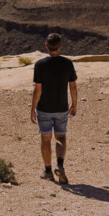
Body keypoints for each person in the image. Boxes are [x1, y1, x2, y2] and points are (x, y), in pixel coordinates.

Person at [30, 32, 78, 184]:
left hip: (44, 108)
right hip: (61, 107)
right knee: (61, 138)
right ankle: (60, 165)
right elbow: (73, 86)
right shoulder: (67, 63)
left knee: (45, 139)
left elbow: (38, 89)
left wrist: (32, 108)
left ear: (46, 47)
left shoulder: (40, 65)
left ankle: (48, 171)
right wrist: (74, 104)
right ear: (60, 46)